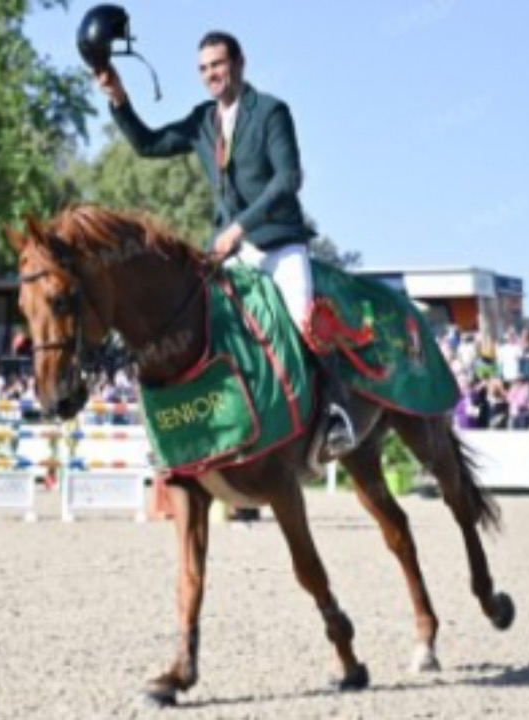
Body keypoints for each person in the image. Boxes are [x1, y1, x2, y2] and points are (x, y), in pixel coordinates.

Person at [93, 29, 355, 457]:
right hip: (230, 253)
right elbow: (147, 144)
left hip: (277, 245)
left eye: (218, 64)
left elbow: (288, 179)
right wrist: (119, 97)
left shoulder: (271, 112)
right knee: (207, 325)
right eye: (204, 69)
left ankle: (335, 414)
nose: (211, 74)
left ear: (238, 63)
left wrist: (240, 227)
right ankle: (224, 423)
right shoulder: (202, 121)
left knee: (302, 318)